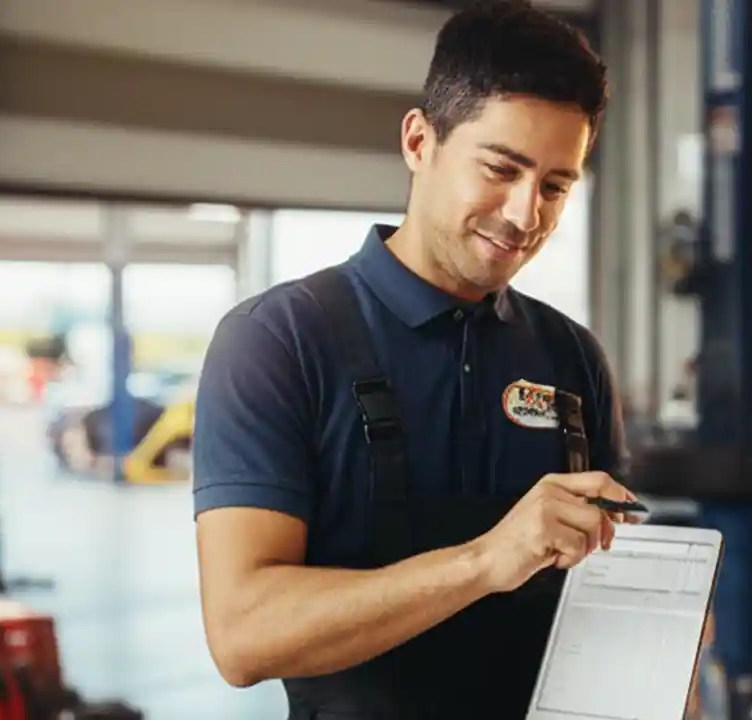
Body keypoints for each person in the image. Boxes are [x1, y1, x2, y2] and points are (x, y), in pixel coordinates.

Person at [191, 2, 636, 717]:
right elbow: (243, 635)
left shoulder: (571, 357)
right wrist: (484, 562)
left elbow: (611, 594)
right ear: (419, 141)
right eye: (500, 168)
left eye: (555, 187)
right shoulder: (280, 341)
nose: (526, 216)